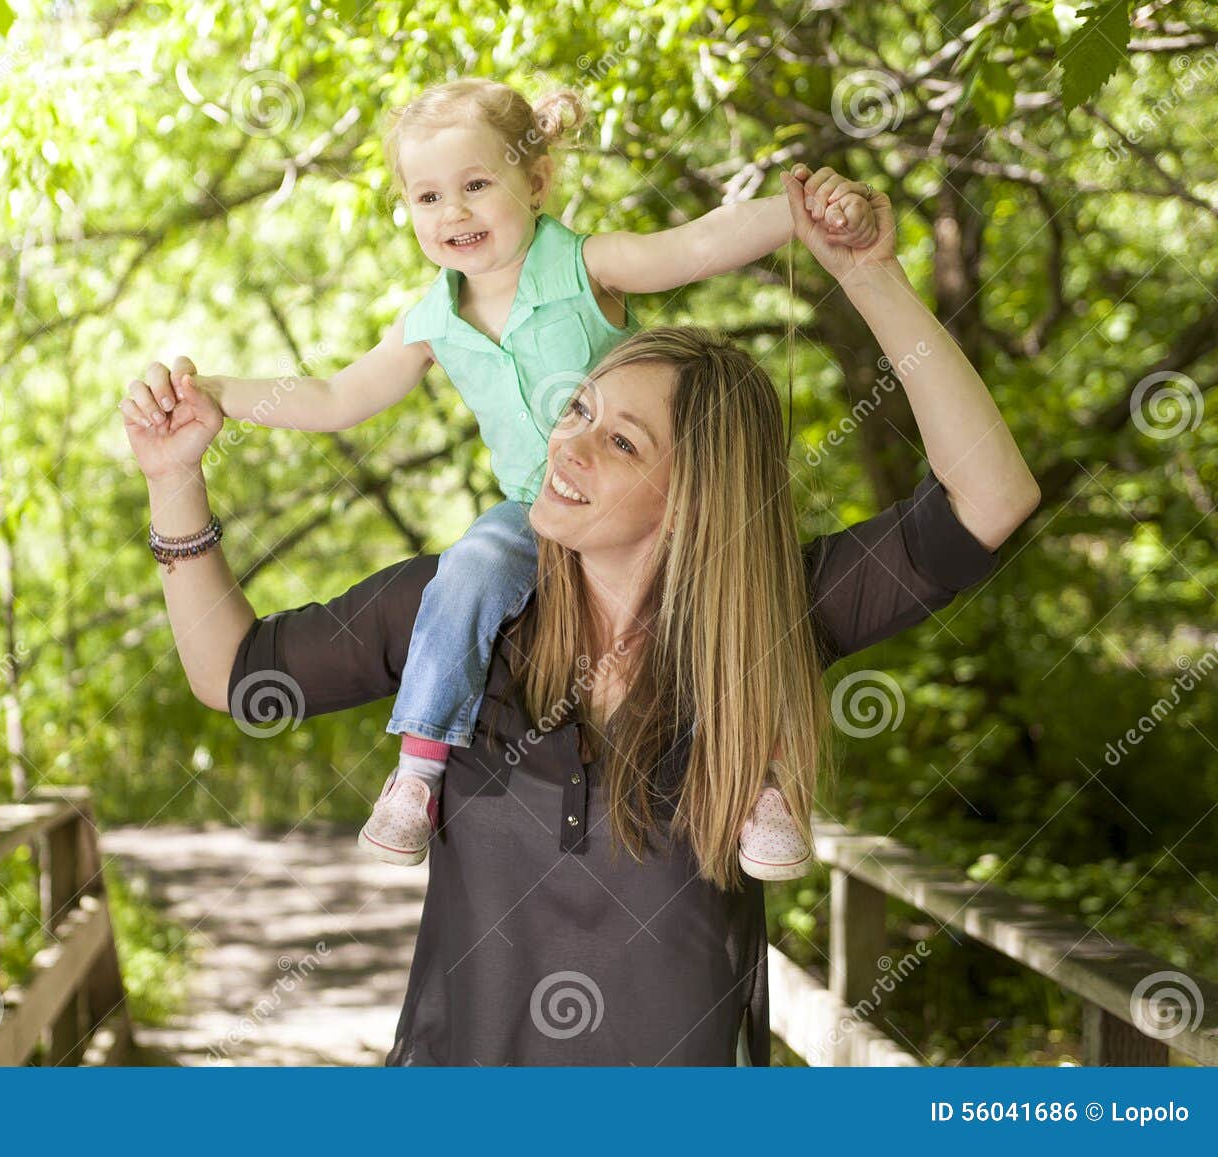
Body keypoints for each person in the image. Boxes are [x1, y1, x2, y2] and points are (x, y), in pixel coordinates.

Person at [118, 167, 1041, 1065]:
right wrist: (174, 479)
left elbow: (991, 499)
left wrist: (869, 275)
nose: (569, 445)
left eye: (621, 440)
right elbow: (236, 675)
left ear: (693, 497)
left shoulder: (769, 614)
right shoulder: (462, 613)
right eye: (578, 409)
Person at [154, 77, 880, 878]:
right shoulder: (431, 321)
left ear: (536, 182)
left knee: (725, 583)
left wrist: (798, 213)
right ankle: (419, 767)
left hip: (642, 506)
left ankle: (766, 776)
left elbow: (695, 245)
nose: (453, 212)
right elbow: (334, 398)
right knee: (466, 571)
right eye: (429, 196)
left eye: (476, 185)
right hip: (535, 512)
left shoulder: (585, 266)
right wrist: (216, 393)